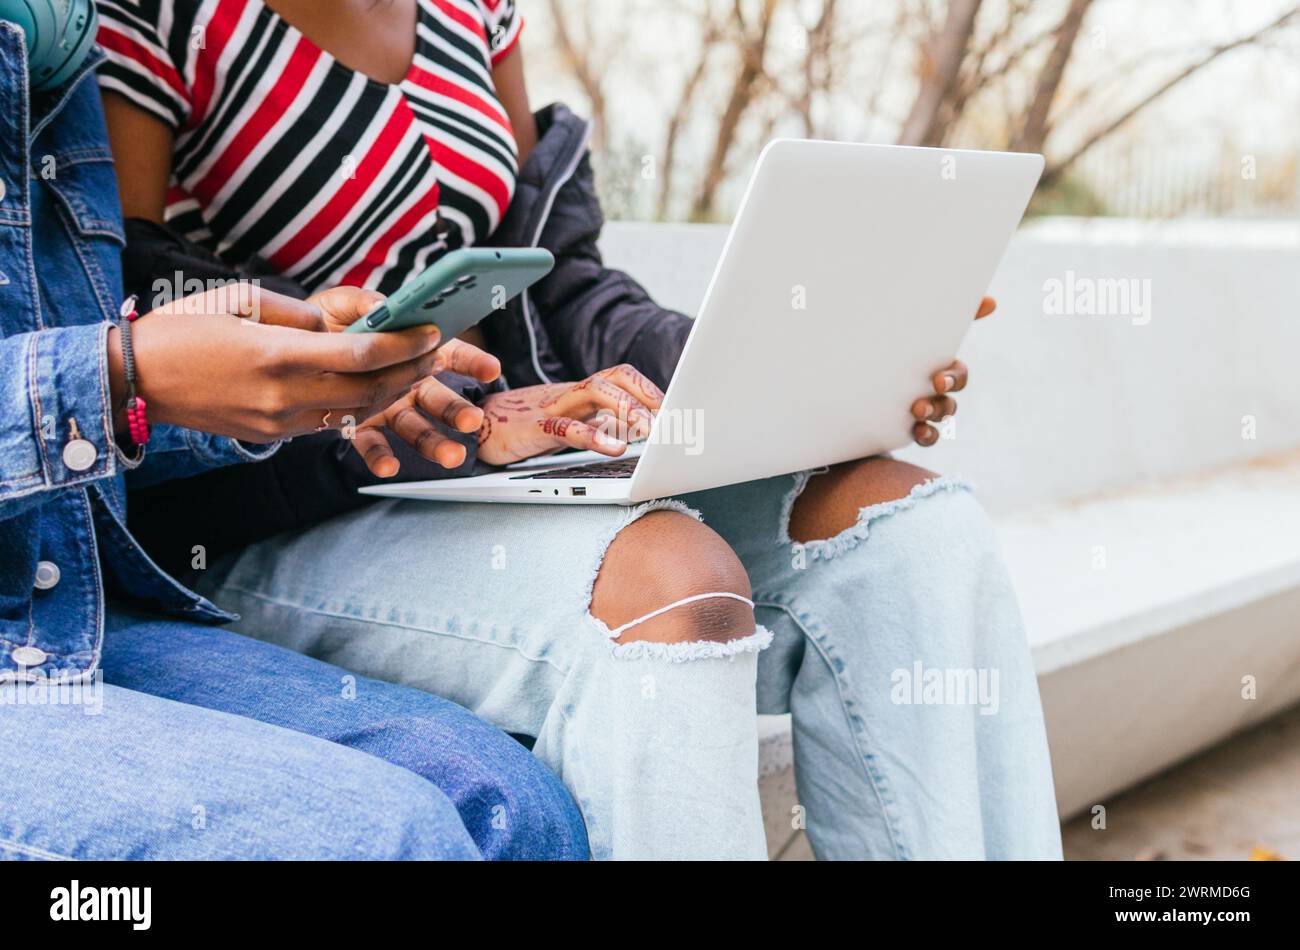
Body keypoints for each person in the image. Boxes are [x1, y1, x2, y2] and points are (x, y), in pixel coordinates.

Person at [97, 0, 1062, 860]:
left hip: (499, 463)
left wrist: (752, 363)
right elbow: (126, 294)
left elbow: (558, 272)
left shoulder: (474, 12)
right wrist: (368, 376)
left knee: (904, 528)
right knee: (670, 586)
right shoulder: (154, 16)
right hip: (274, 503)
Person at [0, 18, 588, 862]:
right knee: (392, 837)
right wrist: (124, 372)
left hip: (77, 603)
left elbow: (100, 395)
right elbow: (106, 370)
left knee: (514, 807)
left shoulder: (56, 48)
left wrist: (314, 379)